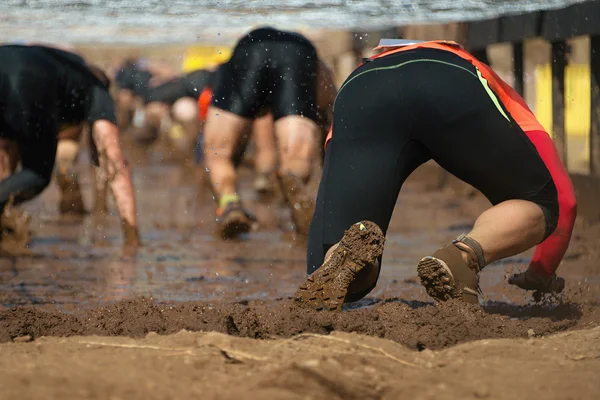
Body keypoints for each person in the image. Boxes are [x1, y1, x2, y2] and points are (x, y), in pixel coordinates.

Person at [295, 39, 576, 311]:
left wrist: (320, 261)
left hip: (363, 86)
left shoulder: (365, 73)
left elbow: (327, 201)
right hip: (446, 77)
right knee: (540, 201)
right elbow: (564, 200)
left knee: (349, 252)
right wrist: (542, 270)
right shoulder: (480, 73)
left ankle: (343, 260)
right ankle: (464, 256)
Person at [0, 44, 140, 247]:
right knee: (37, 173)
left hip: (7, 56)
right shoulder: (96, 86)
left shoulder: (62, 62)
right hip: (27, 81)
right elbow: (114, 157)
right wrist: (131, 235)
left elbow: (8, 149)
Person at [203, 27, 337, 239]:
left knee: (218, 153)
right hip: (297, 53)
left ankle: (230, 203)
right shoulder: (306, 50)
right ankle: (296, 197)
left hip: (251, 49)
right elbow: (330, 108)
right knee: (294, 161)